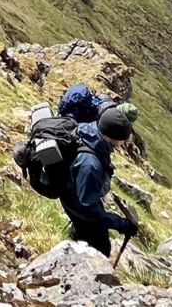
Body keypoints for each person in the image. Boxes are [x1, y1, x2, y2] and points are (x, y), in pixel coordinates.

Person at [62, 105, 140, 257]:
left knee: (90, 237)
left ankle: (75, 236)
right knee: (100, 249)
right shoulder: (90, 164)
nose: (124, 142)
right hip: (77, 203)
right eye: (124, 138)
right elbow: (88, 209)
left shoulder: (89, 131)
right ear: (114, 137)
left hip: (74, 193)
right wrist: (122, 224)